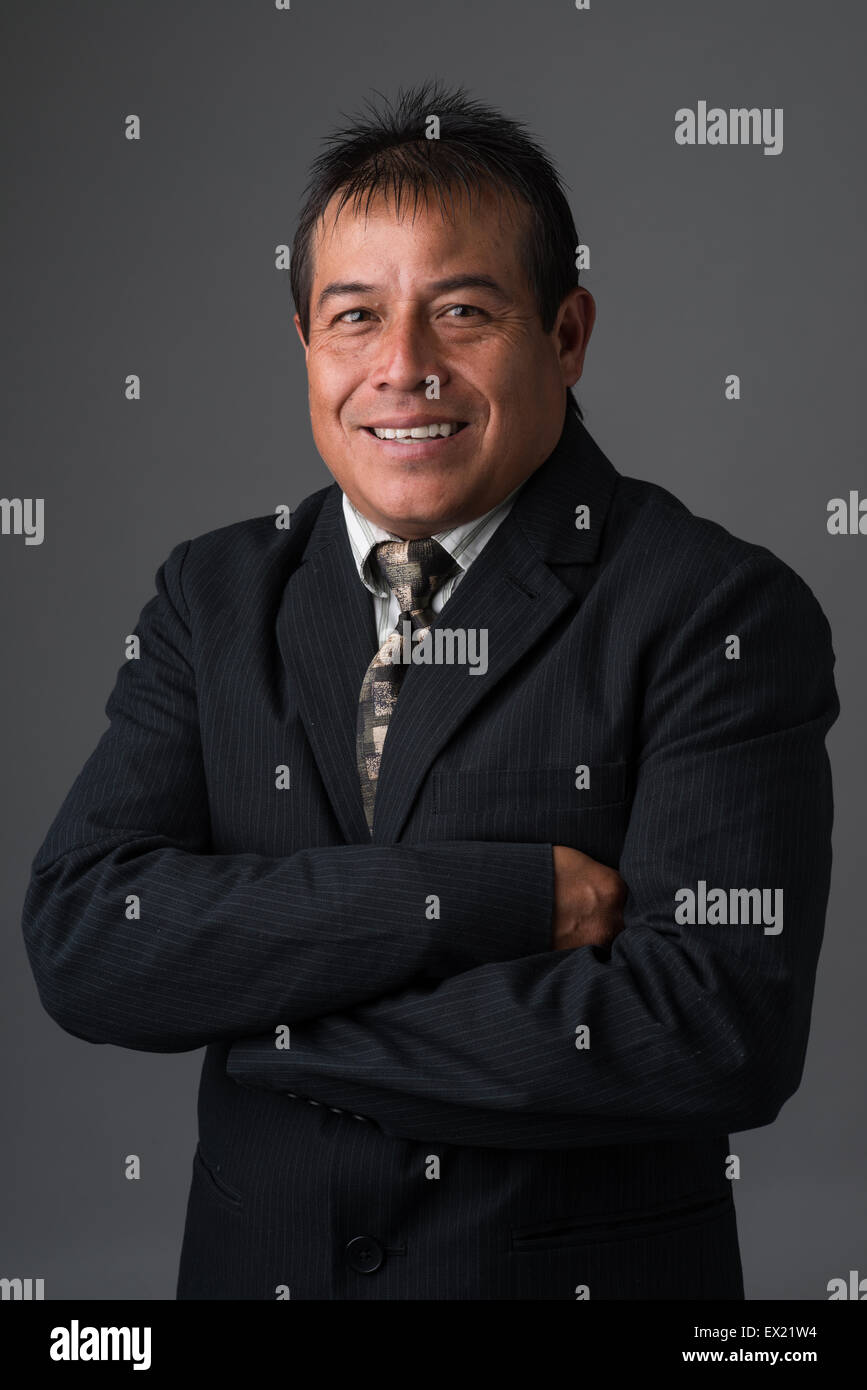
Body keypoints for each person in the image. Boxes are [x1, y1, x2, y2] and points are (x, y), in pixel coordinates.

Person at [22, 81, 838, 1300]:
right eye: (354, 316)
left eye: (462, 311)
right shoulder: (214, 595)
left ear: (566, 334)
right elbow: (90, 938)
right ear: (306, 345)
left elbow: (712, 1029)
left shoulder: (714, 609)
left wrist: (268, 1028)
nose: (403, 368)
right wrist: (499, 896)